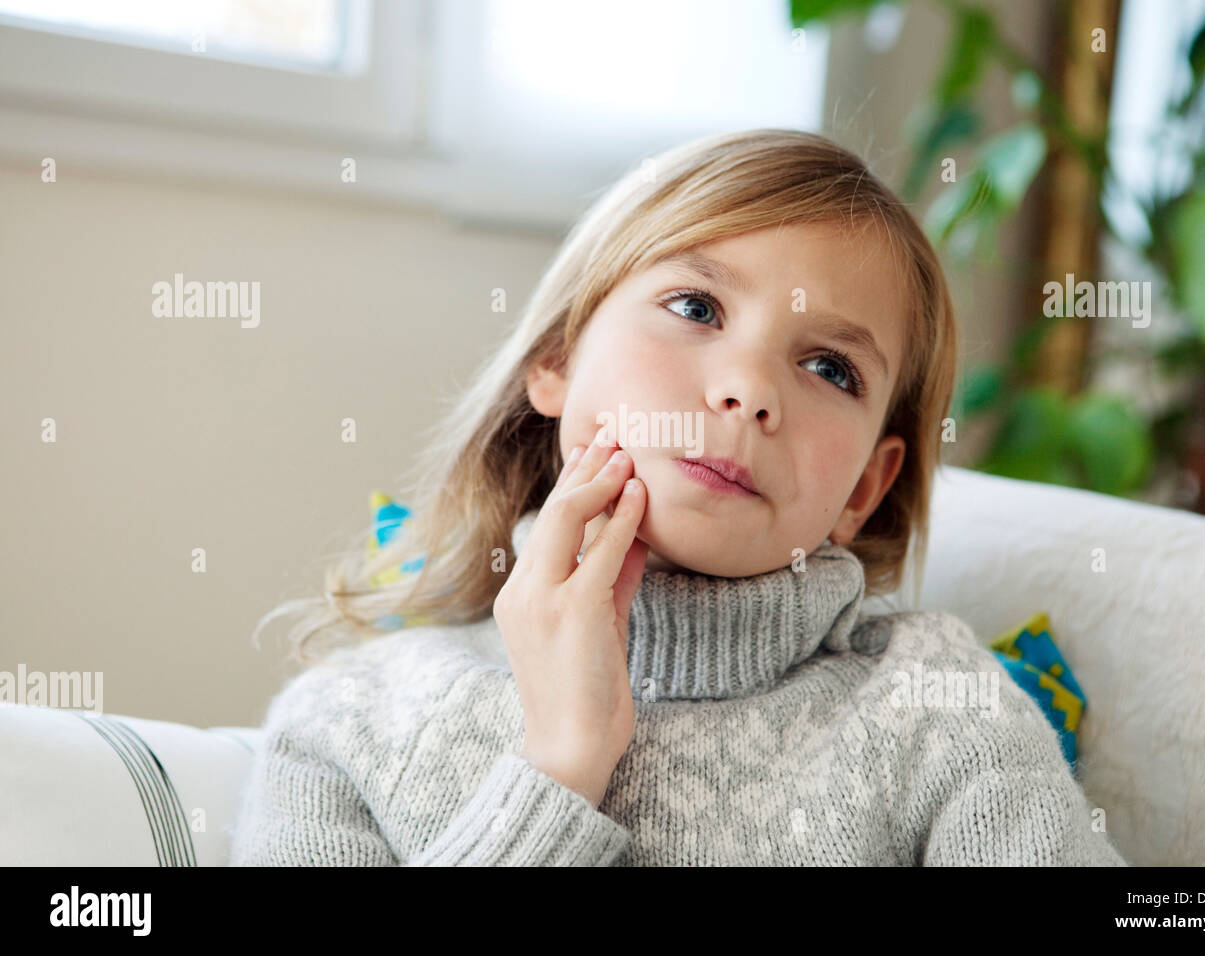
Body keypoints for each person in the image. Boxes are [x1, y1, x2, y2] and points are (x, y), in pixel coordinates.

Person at [229, 129, 1127, 866]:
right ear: (557, 356)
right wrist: (558, 772)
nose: (749, 392)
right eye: (697, 308)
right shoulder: (347, 720)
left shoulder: (940, 707)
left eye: (829, 367)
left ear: (865, 487)